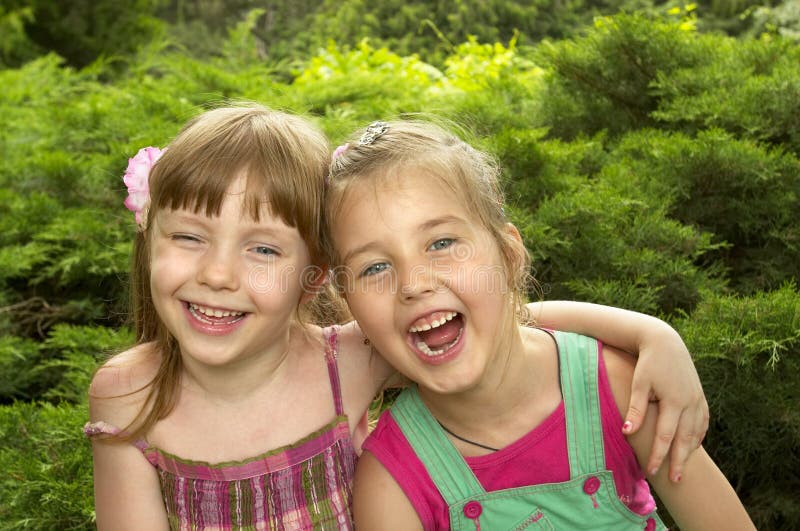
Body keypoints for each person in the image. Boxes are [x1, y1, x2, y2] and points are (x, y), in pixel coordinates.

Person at [86, 105, 708, 530]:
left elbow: (497, 321)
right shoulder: (130, 394)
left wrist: (652, 334)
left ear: (314, 276)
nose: (218, 275)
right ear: (149, 239)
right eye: (189, 237)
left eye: (264, 248)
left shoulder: (341, 364)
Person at [325, 120, 755, 530]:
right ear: (351, 309)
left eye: (442, 243)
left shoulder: (621, 392)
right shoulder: (390, 481)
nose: (414, 284)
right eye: (375, 267)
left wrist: (656, 333)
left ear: (508, 254)